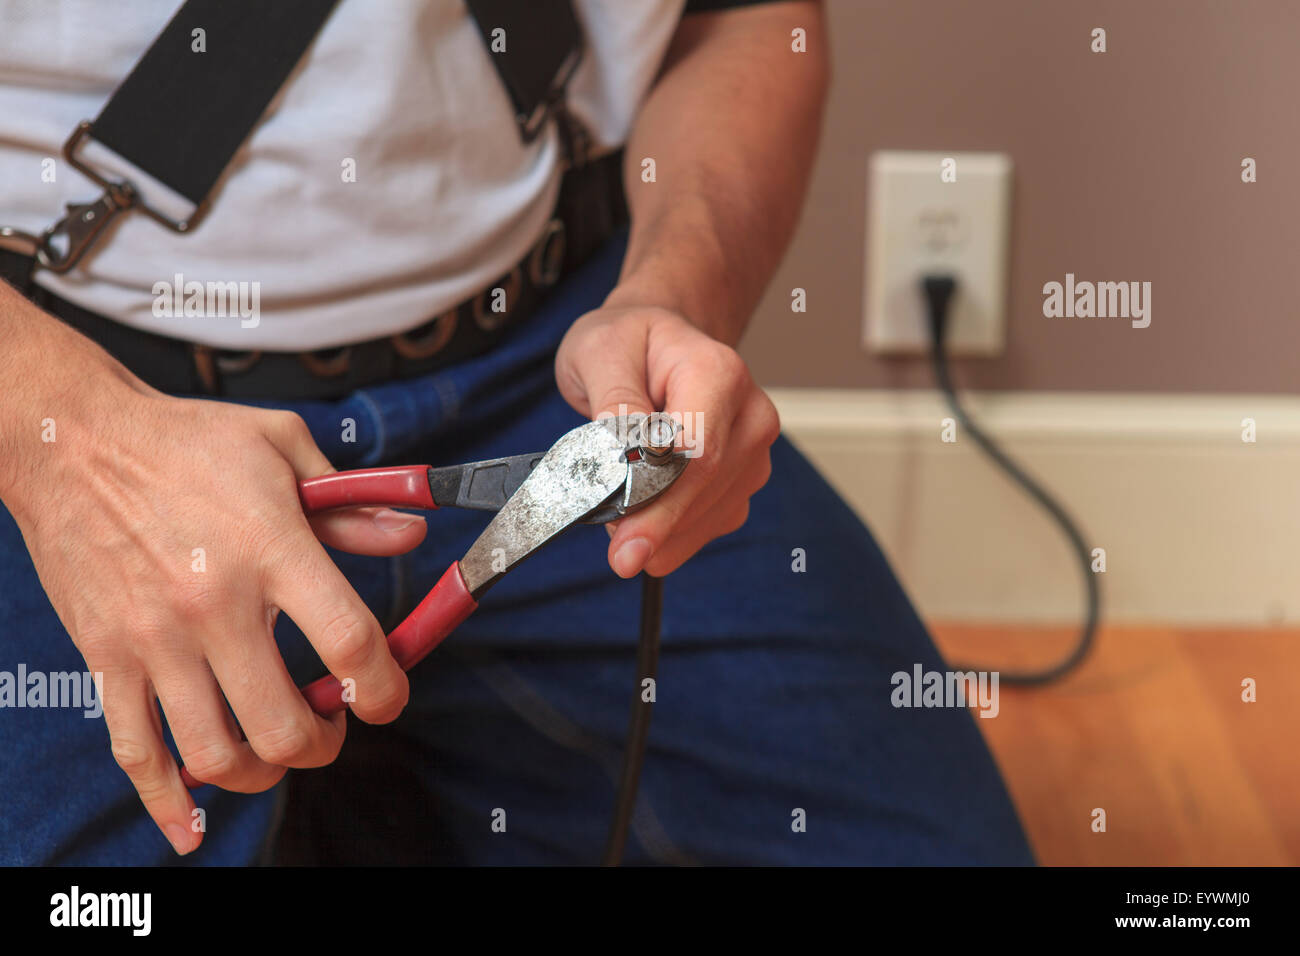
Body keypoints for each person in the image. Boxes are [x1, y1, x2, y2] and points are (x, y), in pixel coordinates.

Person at [0, 0, 1033, 865]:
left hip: (560, 366)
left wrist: (675, 293)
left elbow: (745, 21)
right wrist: (65, 445)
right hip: (73, 404)